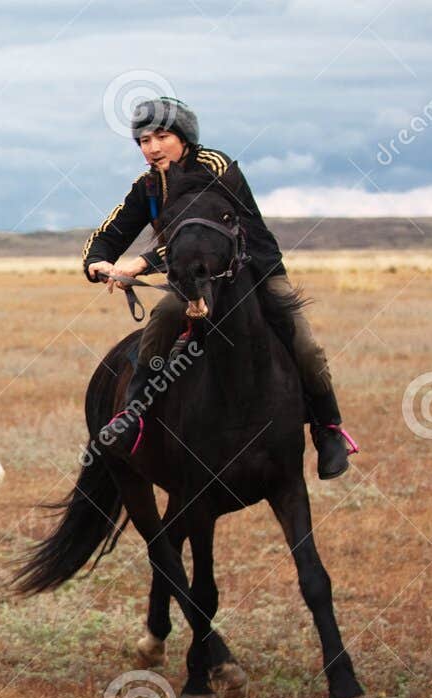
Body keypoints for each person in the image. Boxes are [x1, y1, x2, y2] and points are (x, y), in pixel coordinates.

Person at [83, 96, 356, 479]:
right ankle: (133, 415)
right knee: (163, 318)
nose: (152, 148)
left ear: (184, 136)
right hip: (193, 280)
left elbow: (200, 239)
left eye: (161, 136)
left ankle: (328, 429)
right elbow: (109, 233)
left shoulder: (215, 168)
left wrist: (143, 262)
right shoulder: (148, 186)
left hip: (253, 271)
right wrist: (97, 262)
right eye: (144, 141)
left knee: (304, 342)